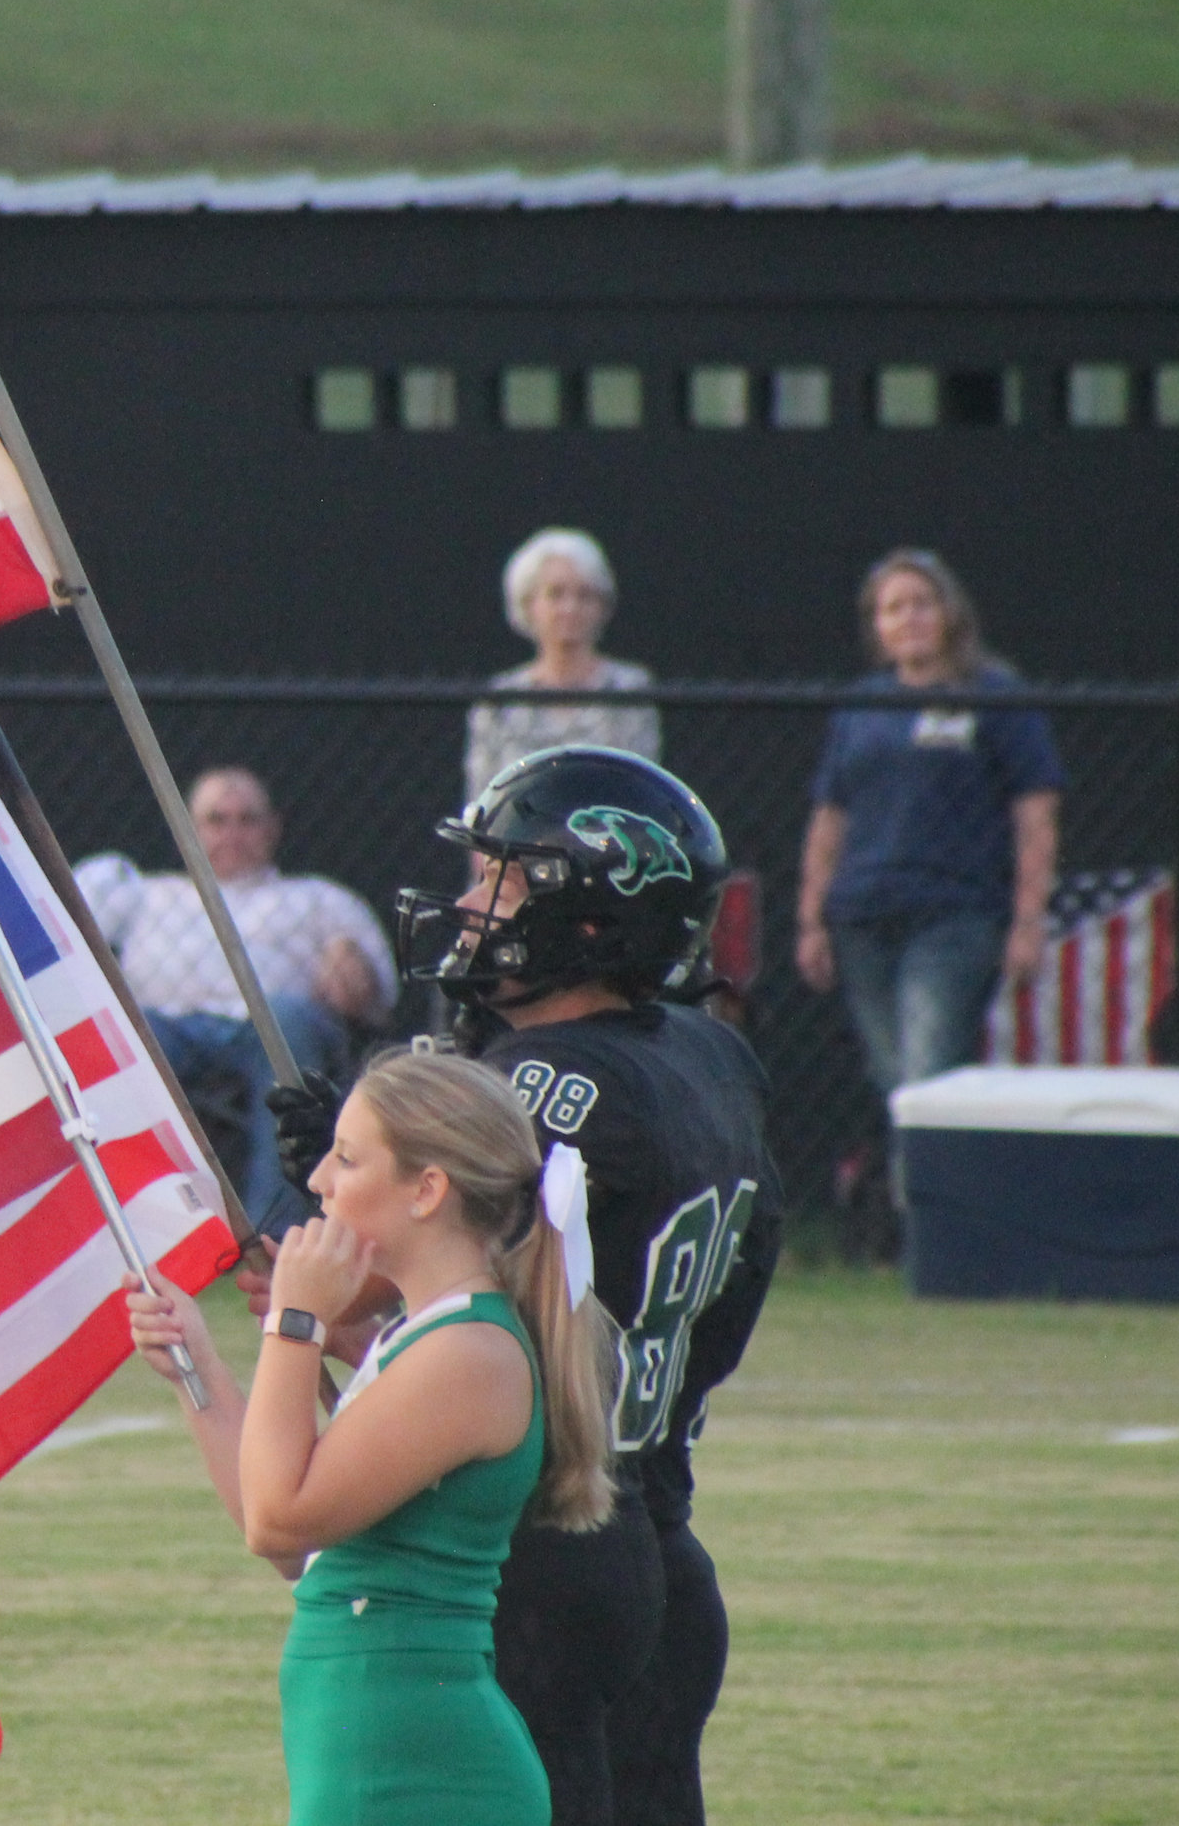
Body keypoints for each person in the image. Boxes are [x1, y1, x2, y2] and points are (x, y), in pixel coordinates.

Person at [269, 747, 779, 1825]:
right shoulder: (709, 1055)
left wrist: (351, 1202)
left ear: (588, 917)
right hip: (654, 1530)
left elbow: (405, 1301)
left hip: (524, 1563)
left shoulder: (551, 1080)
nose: (466, 903)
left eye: (500, 879)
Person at [125, 1047, 618, 1826]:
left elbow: (275, 1515)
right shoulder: (421, 1334)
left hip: (415, 1762)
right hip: (374, 1742)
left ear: (427, 1190)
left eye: (347, 1158)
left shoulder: (467, 1354)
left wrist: (296, 1321)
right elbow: (298, 1543)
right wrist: (199, 1370)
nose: (318, 1180)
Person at [796, 549, 1061, 1101]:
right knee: (892, 1080)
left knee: (929, 1075)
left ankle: (925, 1189)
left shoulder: (995, 696)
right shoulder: (860, 706)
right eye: (892, 609)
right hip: (860, 918)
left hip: (954, 916)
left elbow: (1035, 814)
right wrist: (811, 920)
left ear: (950, 614)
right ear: (877, 627)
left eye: (921, 604)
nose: (908, 619)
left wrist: (1029, 921)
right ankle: (910, 1186)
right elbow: (829, 817)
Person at [80, 767, 393, 1235]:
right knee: (126, 1036)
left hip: (269, 1030)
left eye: (247, 820)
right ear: (190, 828)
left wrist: (350, 973)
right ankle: (145, 1230)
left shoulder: (318, 898)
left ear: (272, 828)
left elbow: (373, 1001)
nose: (232, 833)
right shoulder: (143, 893)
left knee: (289, 1021)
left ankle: (270, 1234)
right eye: (216, 819)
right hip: (167, 1028)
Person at [464, 528, 661, 803]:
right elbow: (480, 807)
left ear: (602, 606)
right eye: (556, 594)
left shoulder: (629, 688)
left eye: (584, 595)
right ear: (528, 604)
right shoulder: (499, 699)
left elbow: (641, 793)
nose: (570, 608)